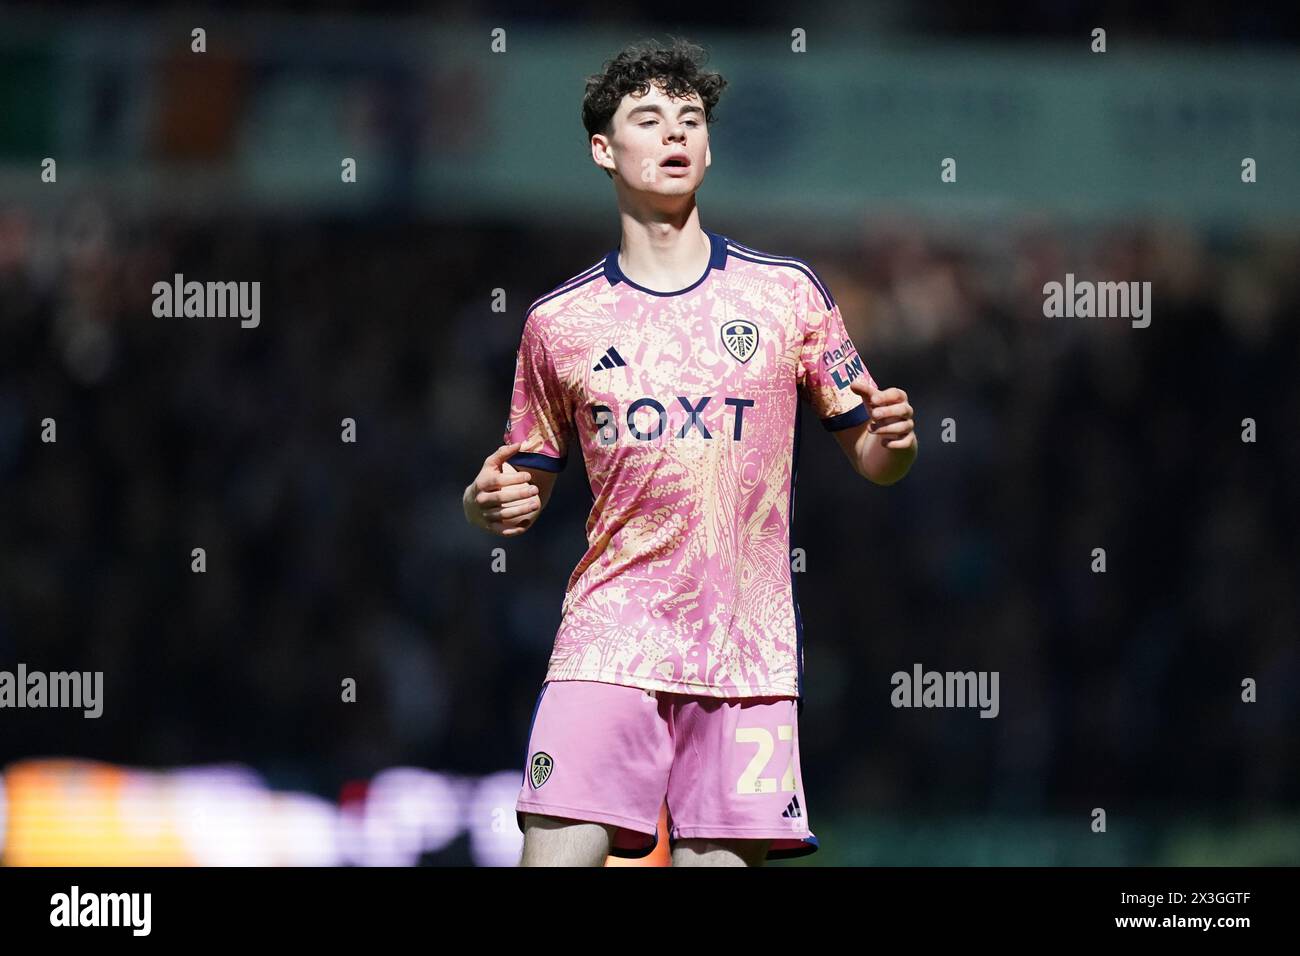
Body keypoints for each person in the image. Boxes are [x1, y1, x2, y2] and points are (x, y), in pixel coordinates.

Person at [463, 38, 917, 867]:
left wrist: (896, 444)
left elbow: (875, 457)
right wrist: (483, 504)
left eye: (691, 119)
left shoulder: (786, 295)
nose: (674, 134)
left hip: (747, 654)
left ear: (707, 146)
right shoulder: (558, 323)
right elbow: (514, 479)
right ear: (604, 149)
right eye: (648, 118)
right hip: (608, 639)